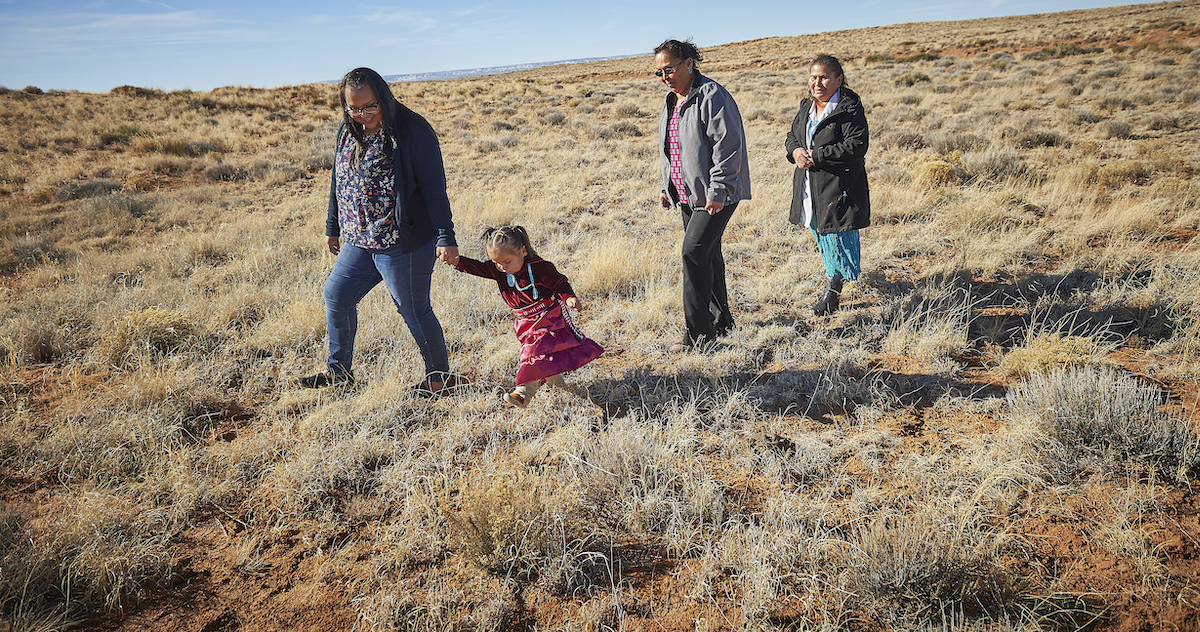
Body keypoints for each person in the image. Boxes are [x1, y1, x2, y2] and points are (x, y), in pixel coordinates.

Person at [299, 67, 460, 396]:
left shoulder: (413, 132)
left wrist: (446, 237)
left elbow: (434, 189)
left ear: (384, 98)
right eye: (353, 108)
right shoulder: (348, 131)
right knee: (336, 297)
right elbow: (338, 180)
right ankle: (339, 372)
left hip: (402, 243)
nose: (362, 115)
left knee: (413, 309)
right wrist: (333, 226)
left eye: (370, 107)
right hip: (359, 240)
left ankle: (439, 378)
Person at [655, 39, 751, 353]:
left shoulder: (713, 96)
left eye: (669, 69)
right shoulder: (672, 101)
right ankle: (721, 321)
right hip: (688, 194)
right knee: (707, 256)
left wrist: (719, 190)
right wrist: (667, 187)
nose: (665, 77)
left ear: (689, 63)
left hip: (715, 194)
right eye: (659, 73)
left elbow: (728, 147)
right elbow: (673, 149)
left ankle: (698, 336)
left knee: (692, 254)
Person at [452, 226, 603, 408]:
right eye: (497, 262)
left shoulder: (540, 268)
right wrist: (457, 261)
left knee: (532, 353)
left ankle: (523, 393)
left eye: (507, 261)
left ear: (523, 251)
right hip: (525, 322)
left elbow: (559, 283)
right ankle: (558, 384)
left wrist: (569, 297)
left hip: (547, 317)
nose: (501, 267)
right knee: (543, 354)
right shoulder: (499, 270)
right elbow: (478, 267)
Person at [784, 54, 871, 316]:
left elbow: (857, 144)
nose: (817, 82)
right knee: (820, 233)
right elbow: (792, 136)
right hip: (809, 185)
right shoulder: (805, 107)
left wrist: (818, 155)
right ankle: (834, 282)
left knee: (835, 235)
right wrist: (797, 151)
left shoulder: (849, 108)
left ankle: (831, 294)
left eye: (824, 77)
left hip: (837, 186)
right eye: (813, 77)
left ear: (838, 79)